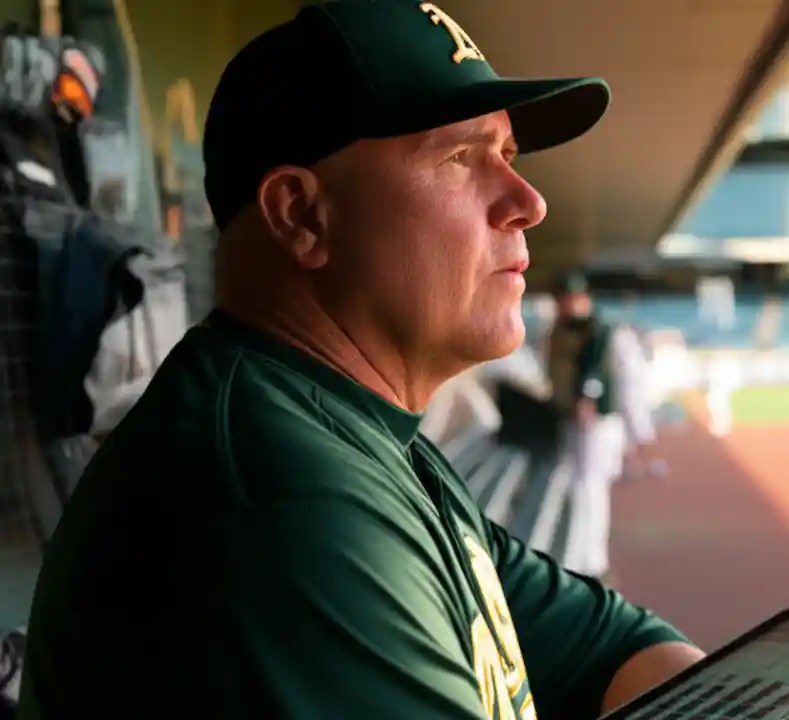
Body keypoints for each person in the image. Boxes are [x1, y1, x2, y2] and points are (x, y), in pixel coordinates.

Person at [18, 3, 704, 718]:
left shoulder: (369, 437)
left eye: (508, 157)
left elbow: (614, 649)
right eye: (461, 157)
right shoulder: (280, 496)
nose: (528, 202)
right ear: (302, 215)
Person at [544, 271, 625, 581]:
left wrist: (587, 397)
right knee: (581, 486)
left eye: (572, 297)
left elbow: (593, 370)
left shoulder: (596, 328)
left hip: (596, 421)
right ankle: (584, 557)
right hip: (573, 418)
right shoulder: (561, 329)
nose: (567, 303)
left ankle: (593, 561)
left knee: (590, 487)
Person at [609, 321, 668, 480]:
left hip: (633, 395)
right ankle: (632, 465)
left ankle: (654, 462)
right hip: (625, 393)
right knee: (627, 434)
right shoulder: (625, 345)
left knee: (641, 430)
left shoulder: (630, 348)